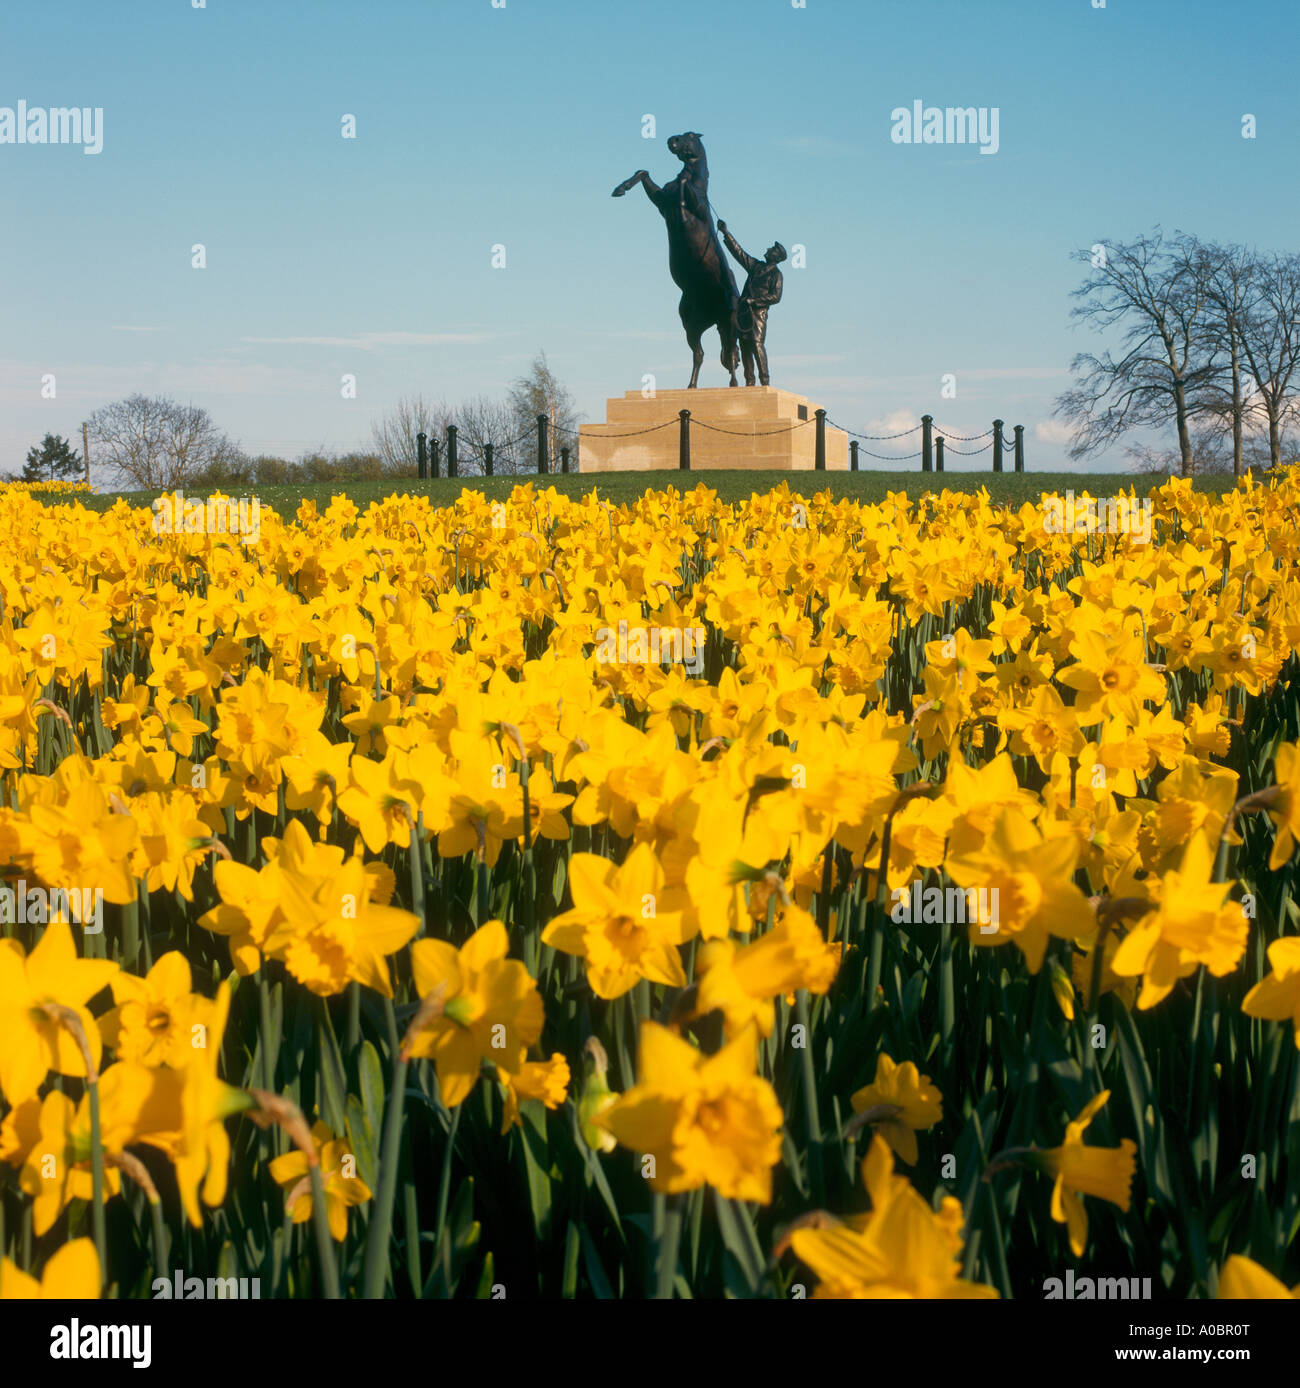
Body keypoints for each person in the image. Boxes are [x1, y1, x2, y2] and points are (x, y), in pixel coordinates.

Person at [717, 221, 786, 387]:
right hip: (744, 314)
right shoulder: (756, 266)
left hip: (758, 315)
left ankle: (765, 382)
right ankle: (749, 381)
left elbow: (776, 296)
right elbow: (739, 253)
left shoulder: (776, 274)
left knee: (756, 345)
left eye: (772, 249)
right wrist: (726, 234)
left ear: (776, 256)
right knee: (745, 346)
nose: (768, 249)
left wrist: (754, 301)